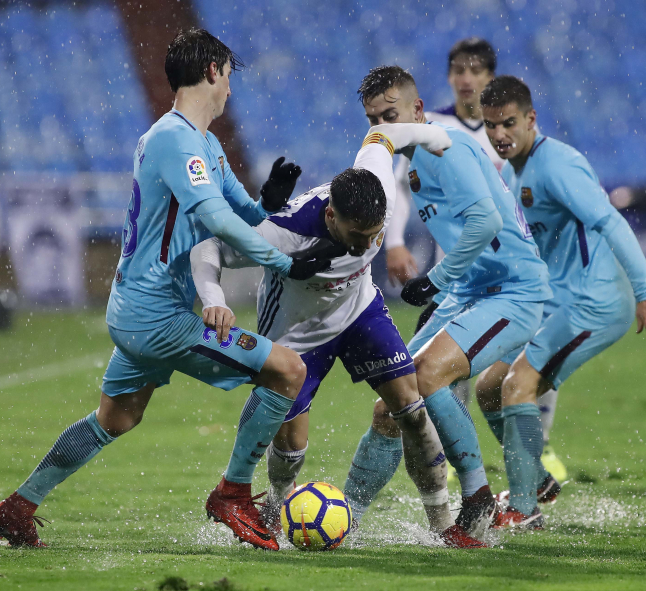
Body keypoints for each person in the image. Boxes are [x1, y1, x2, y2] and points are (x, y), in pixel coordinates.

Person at [0, 28, 338, 551]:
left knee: (117, 416)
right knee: (288, 370)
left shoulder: (204, 145)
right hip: (155, 316)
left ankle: (19, 506)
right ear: (213, 71)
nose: (230, 91)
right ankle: (234, 494)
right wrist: (284, 262)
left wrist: (268, 203)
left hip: (138, 308)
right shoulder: (174, 138)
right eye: (229, 78)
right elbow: (213, 216)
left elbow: (242, 215)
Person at [191, 123, 485, 549]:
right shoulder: (286, 232)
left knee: (411, 406)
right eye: (357, 236)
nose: (367, 244)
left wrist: (430, 135)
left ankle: (443, 527)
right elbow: (208, 250)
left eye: (374, 235)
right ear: (331, 215)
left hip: (360, 310)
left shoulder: (374, 181)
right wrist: (214, 299)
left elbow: (382, 134)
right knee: (291, 448)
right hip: (298, 333)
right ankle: (274, 511)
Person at [345, 66, 552, 537]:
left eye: (391, 115)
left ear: (417, 110)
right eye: (373, 120)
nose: (383, 129)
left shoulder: (447, 148)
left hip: (512, 291)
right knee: (393, 401)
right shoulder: (416, 159)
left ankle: (477, 501)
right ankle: (346, 518)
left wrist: (435, 280)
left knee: (427, 374)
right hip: (470, 293)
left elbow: (486, 224)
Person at [476, 76, 646, 527]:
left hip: (593, 302)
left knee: (516, 386)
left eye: (508, 123)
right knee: (489, 386)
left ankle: (524, 511)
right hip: (558, 301)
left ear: (531, 119)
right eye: (490, 126)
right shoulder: (512, 171)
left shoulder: (559, 165)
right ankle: (537, 480)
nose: (499, 135)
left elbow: (612, 223)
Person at [384, 38, 502, 410]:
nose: (466, 78)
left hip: (506, 271)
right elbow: (400, 187)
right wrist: (394, 242)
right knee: (439, 372)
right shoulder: (430, 126)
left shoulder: (506, 129)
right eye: (458, 70)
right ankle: (453, 460)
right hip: (455, 272)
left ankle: (537, 451)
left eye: (475, 69)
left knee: (514, 374)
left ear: (491, 77)